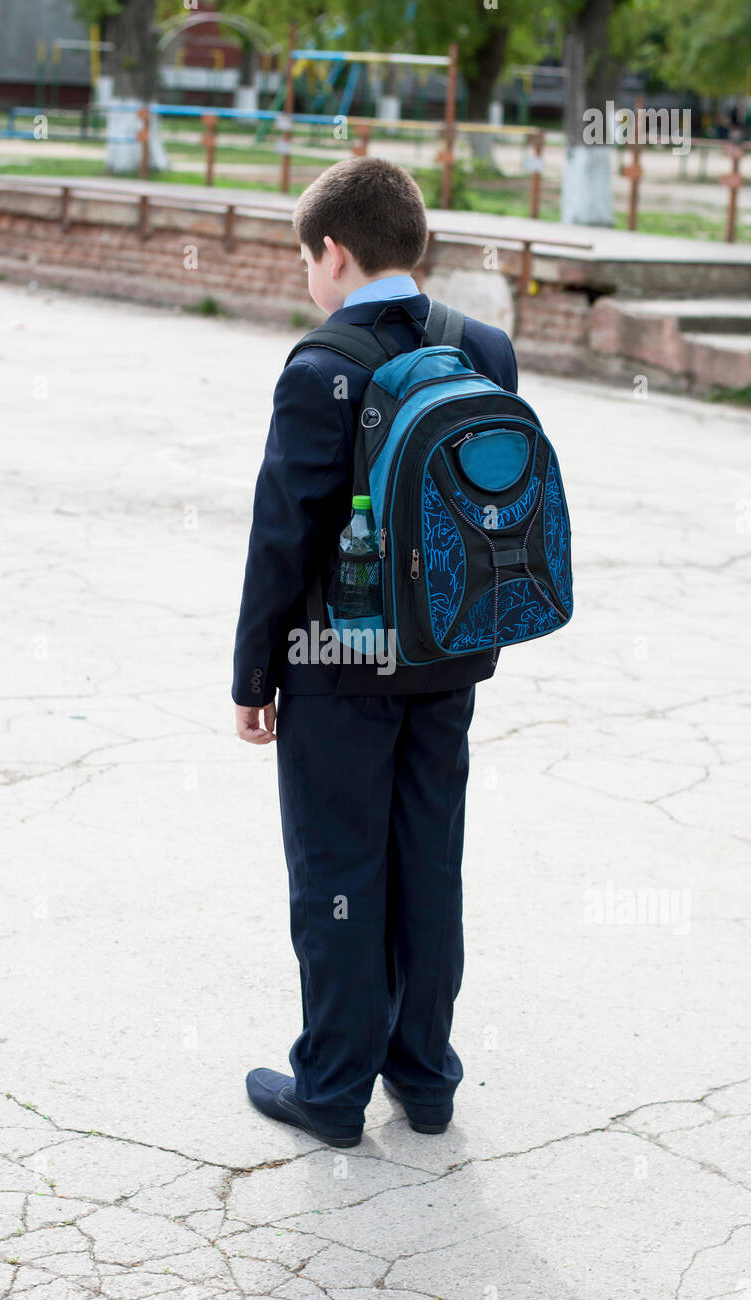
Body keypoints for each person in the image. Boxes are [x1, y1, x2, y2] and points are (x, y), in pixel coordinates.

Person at [232, 157, 518, 1147]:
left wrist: (252, 675)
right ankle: (427, 1079)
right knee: (428, 861)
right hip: (451, 654)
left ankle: (332, 1088)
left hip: (336, 662)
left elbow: (284, 538)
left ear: (336, 253)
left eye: (308, 259)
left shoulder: (321, 366)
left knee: (338, 871)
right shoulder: (484, 347)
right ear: (418, 245)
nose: (310, 281)